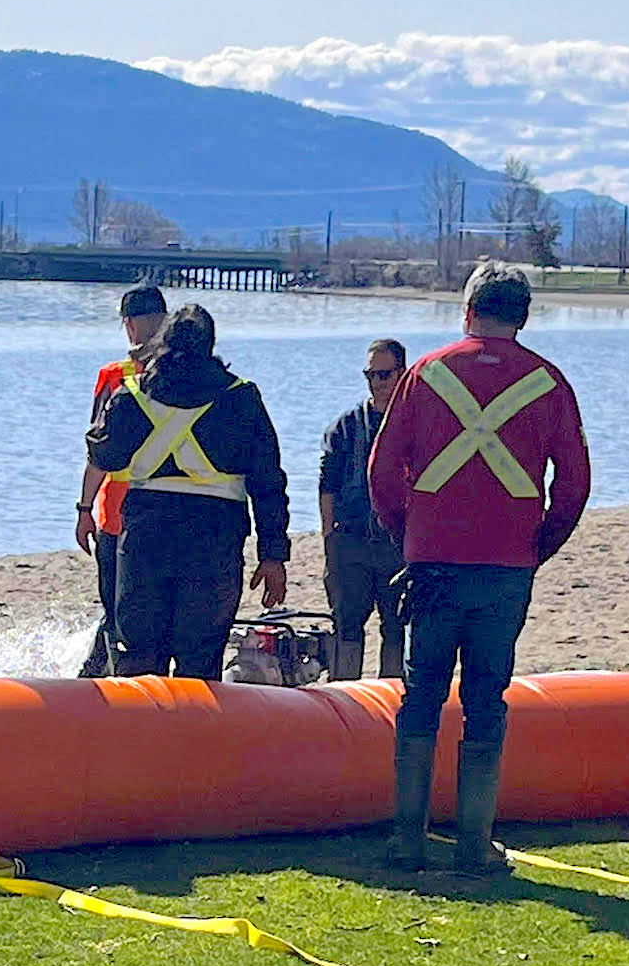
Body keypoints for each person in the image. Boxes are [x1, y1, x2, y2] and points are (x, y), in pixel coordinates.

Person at [369, 263, 590, 874]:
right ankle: (473, 844)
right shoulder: (549, 382)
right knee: (487, 697)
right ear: (522, 315)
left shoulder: (425, 375)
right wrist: (537, 545)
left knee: (421, 695)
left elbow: (383, 472)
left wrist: (405, 533)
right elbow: (573, 485)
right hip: (506, 566)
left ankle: (407, 840)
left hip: (434, 560)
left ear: (467, 310)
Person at [87, 304, 288, 679]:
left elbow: (105, 453)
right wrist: (272, 554)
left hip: (147, 534)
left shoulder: (132, 395)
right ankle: (196, 735)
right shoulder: (240, 397)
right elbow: (268, 481)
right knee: (201, 657)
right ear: (210, 345)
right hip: (215, 538)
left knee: (141, 656)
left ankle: (141, 733)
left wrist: (85, 506)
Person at [74, 285, 169, 677]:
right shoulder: (191, 372)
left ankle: (99, 680)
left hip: (118, 512)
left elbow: (98, 448)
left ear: (128, 325)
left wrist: (83, 509)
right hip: (174, 511)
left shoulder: (115, 376)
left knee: (118, 612)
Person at [319, 338, 408, 680]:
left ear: (402, 374)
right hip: (351, 543)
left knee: (397, 628)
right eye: (370, 375)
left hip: (398, 545)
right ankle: (343, 700)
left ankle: (392, 703)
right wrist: (329, 538)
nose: (377, 383)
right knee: (346, 629)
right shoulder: (345, 426)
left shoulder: (415, 424)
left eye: (384, 375)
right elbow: (327, 485)